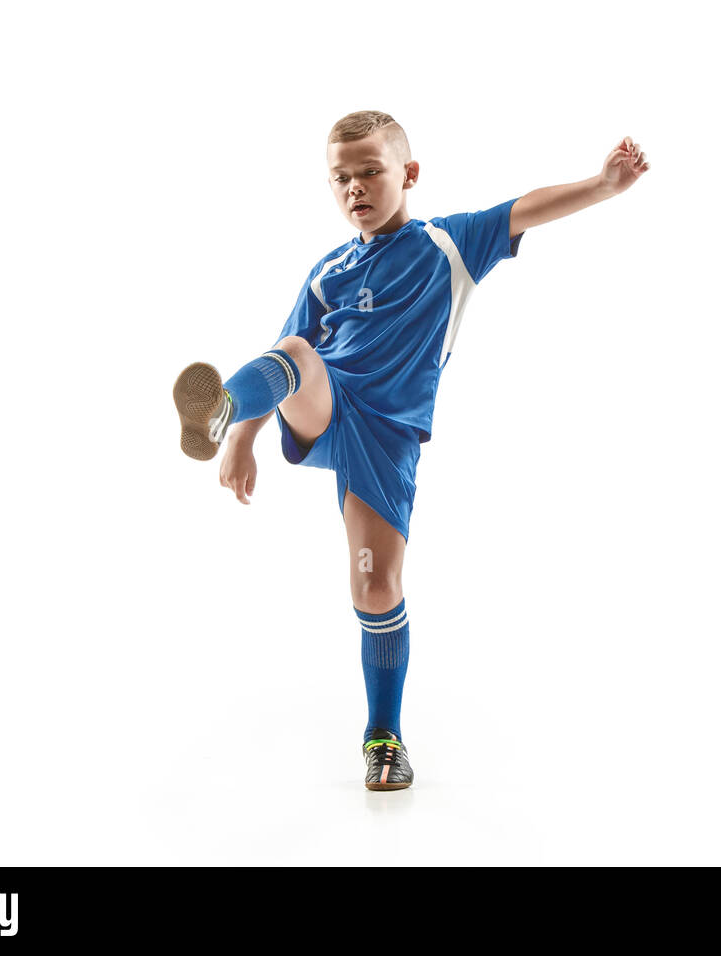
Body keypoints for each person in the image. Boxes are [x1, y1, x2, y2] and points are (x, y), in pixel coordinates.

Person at [172, 110, 650, 790]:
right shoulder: (326, 271)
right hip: (326, 400)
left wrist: (603, 185)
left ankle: (383, 737)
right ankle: (219, 409)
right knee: (302, 351)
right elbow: (280, 349)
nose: (356, 187)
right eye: (341, 177)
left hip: (386, 435)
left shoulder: (447, 244)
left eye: (371, 171)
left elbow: (523, 210)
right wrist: (242, 437)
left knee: (375, 586)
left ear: (409, 174)